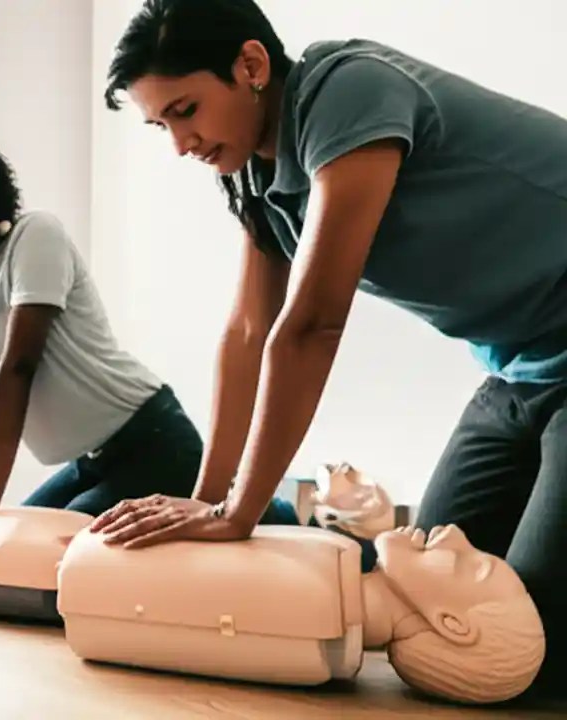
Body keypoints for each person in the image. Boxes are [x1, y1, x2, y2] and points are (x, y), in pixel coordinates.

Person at [96, 0, 566, 694]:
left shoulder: (349, 90)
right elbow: (249, 332)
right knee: (421, 607)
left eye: (187, 110)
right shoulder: (254, 176)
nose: (180, 144)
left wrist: (239, 514)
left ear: (251, 65)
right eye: (161, 125)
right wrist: (206, 501)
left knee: (533, 649)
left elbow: (311, 323)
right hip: (517, 368)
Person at [0, 136, 212, 528]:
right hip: (91, 459)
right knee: (14, 544)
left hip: (152, 439)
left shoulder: (36, 235)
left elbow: (19, 364)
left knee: (54, 555)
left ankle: (275, 513)